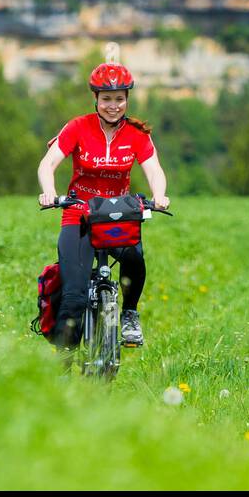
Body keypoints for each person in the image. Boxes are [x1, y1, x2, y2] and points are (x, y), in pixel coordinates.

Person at [37, 62, 169, 350]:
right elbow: (47, 164)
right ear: (95, 99)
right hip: (79, 213)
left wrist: (159, 194)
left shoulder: (136, 134)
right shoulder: (77, 127)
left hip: (116, 214)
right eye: (106, 99)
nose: (113, 106)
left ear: (127, 100)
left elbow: (155, 169)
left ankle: (130, 315)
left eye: (119, 99)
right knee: (74, 296)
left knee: (134, 258)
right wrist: (49, 192)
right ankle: (64, 358)